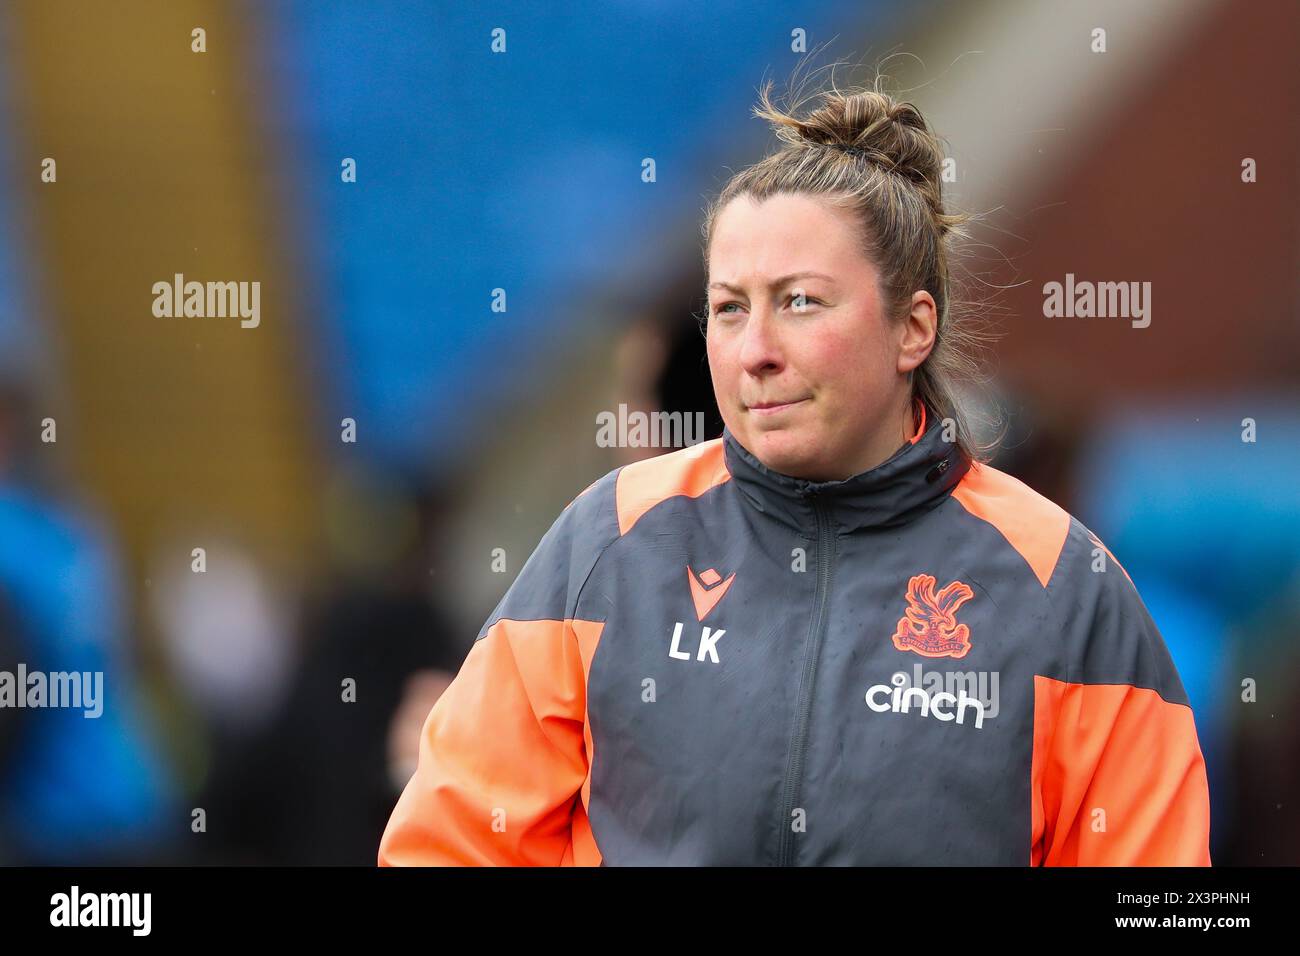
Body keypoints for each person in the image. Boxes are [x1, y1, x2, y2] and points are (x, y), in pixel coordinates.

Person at [378, 73, 1211, 866]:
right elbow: (450, 843)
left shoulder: (1062, 586)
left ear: (912, 328)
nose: (756, 353)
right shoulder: (609, 543)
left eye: (801, 301)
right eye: (730, 309)